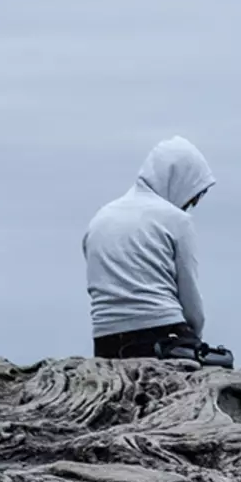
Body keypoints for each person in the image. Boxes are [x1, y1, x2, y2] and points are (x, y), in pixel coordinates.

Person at [84, 136, 216, 360]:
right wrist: (195, 340)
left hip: (105, 341)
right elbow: (192, 304)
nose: (189, 206)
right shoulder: (176, 219)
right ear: (179, 180)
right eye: (192, 198)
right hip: (161, 336)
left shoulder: (100, 218)